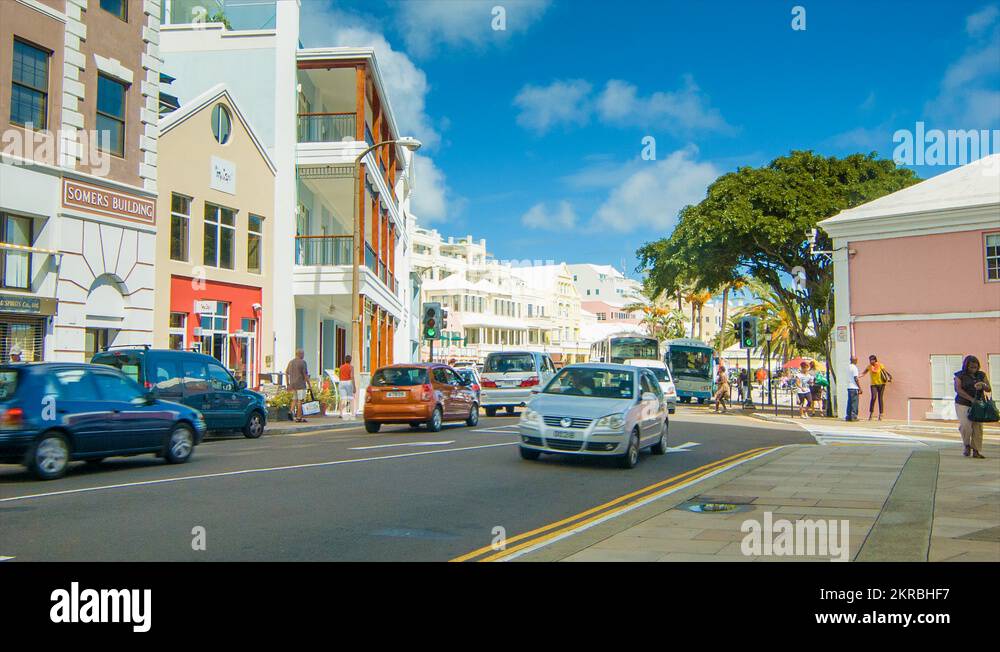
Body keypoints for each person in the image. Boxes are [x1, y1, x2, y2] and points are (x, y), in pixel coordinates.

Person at [954, 355, 991, 459]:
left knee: (978, 427)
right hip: (963, 403)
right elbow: (958, 389)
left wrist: (983, 385)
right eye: (971, 367)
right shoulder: (959, 375)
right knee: (966, 425)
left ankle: (976, 450)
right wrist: (971, 399)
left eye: (975, 367)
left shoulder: (981, 375)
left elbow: (988, 388)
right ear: (966, 366)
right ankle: (967, 445)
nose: (973, 369)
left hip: (979, 404)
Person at [861, 354, 892, 420]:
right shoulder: (869, 366)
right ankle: (871, 413)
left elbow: (884, 372)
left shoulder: (880, 365)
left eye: (872, 360)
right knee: (873, 397)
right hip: (873, 384)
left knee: (880, 398)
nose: (871, 361)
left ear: (875, 360)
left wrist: (889, 377)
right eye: (870, 360)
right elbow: (864, 373)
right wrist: (858, 376)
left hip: (881, 384)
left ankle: (881, 414)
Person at [285, 349, 310, 423]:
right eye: (303, 354)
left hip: (292, 384)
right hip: (300, 384)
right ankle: (299, 417)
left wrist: (288, 384)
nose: (303, 355)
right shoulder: (303, 362)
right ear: (300, 354)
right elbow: (305, 375)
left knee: (294, 399)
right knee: (300, 400)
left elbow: (286, 373)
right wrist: (309, 384)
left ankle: (291, 411)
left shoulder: (291, 362)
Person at [845, 356, 862, 422]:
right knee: (854, 403)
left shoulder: (848, 367)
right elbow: (856, 378)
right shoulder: (854, 368)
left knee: (849, 402)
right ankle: (853, 416)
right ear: (854, 360)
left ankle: (848, 416)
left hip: (849, 387)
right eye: (856, 360)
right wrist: (860, 388)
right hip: (854, 387)